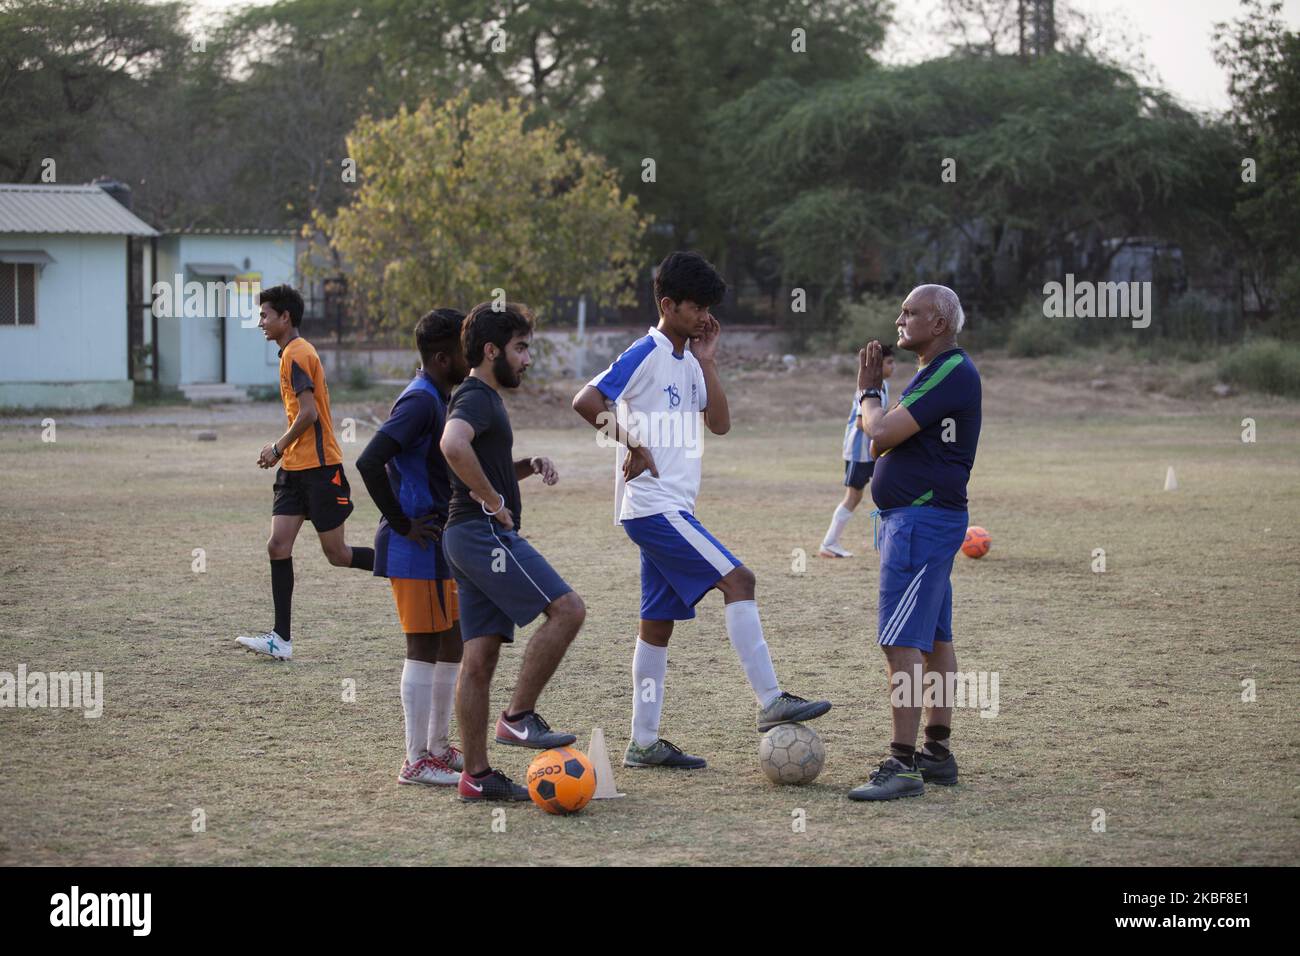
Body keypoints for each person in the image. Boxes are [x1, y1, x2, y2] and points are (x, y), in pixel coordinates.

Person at [572, 251, 831, 771]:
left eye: (709, 307)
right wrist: (632, 446)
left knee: (656, 625)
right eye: (695, 307)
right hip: (652, 507)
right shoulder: (645, 351)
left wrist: (709, 360)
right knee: (740, 580)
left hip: (673, 507)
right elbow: (586, 399)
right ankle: (771, 700)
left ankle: (643, 743)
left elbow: (720, 423)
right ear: (667, 304)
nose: (704, 316)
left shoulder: (689, 361)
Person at [439, 302, 586, 802]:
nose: (527, 359)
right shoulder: (477, 397)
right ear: (491, 350)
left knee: (478, 659)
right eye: (521, 348)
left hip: (464, 537)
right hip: (483, 536)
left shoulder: (483, 398)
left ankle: (476, 777)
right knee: (568, 610)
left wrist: (523, 466)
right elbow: (452, 446)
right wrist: (493, 500)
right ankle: (518, 718)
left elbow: (478, 458)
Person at [847, 284, 982, 802]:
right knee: (935, 639)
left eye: (912, 312)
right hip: (926, 521)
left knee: (900, 640)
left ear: (940, 323)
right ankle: (937, 754)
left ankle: (902, 764)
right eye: (900, 309)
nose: (899, 319)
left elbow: (878, 434)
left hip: (921, 523)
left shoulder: (950, 369)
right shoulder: (937, 371)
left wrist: (869, 391)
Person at [357, 309, 469, 787]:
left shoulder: (441, 395)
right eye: (466, 349)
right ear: (444, 358)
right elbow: (369, 460)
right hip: (415, 544)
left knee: (452, 638)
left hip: (439, 543)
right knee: (422, 644)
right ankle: (414, 760)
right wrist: (402, 522)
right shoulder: (420, 402)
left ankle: (439, 748)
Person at [237, 284, 374, 661]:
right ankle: (281, 639)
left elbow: (310, 413)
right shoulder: (291, 353)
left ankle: (411, 570)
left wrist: (276, 448)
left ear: (286, 317)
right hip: (295, 470)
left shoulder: (297, 353)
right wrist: (285, 455)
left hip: (319, 468)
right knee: (277, 545)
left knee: (338, 554)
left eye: (265, 315)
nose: (261, 321)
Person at [820, 344, 895, 558]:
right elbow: (862, 423)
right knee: (853, 496)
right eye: (889, 362)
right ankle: (829, 543)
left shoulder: (884, 386)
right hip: (859, 451)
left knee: (885, 491)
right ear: (876, 366)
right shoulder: (867, 389)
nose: (894, 366)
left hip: (873, 450)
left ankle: (888, 543)